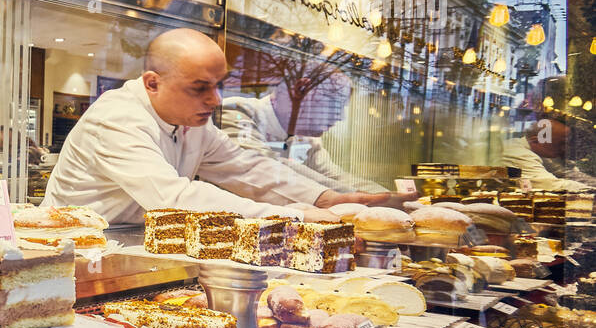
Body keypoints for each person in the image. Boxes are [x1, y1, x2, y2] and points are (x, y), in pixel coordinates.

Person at [42, 29, 391, 224]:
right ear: (152, 83)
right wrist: (288, 215)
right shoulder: (117, 119)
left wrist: (324, 198)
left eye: (218, 84)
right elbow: (174, 197)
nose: (216, 99)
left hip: (131, 244)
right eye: (200, 88)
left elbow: (245, 168)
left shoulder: (192, 123)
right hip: (75, 252)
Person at [220, 73, 387, 193]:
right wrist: (360, 197)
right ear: (302, 90)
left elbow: (335, 177)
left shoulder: (306, 139)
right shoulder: (237, 112)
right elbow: (268, 169)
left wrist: (393, 199)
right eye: (336, 105)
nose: (340, 117)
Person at [501, 117, 594, 192]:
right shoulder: (518, 153)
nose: (565, 148)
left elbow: (564, 172)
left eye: (567, 143)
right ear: (536, 141)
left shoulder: (539, 151)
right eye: (561, 143)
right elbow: (550, 184)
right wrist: (590, 189)